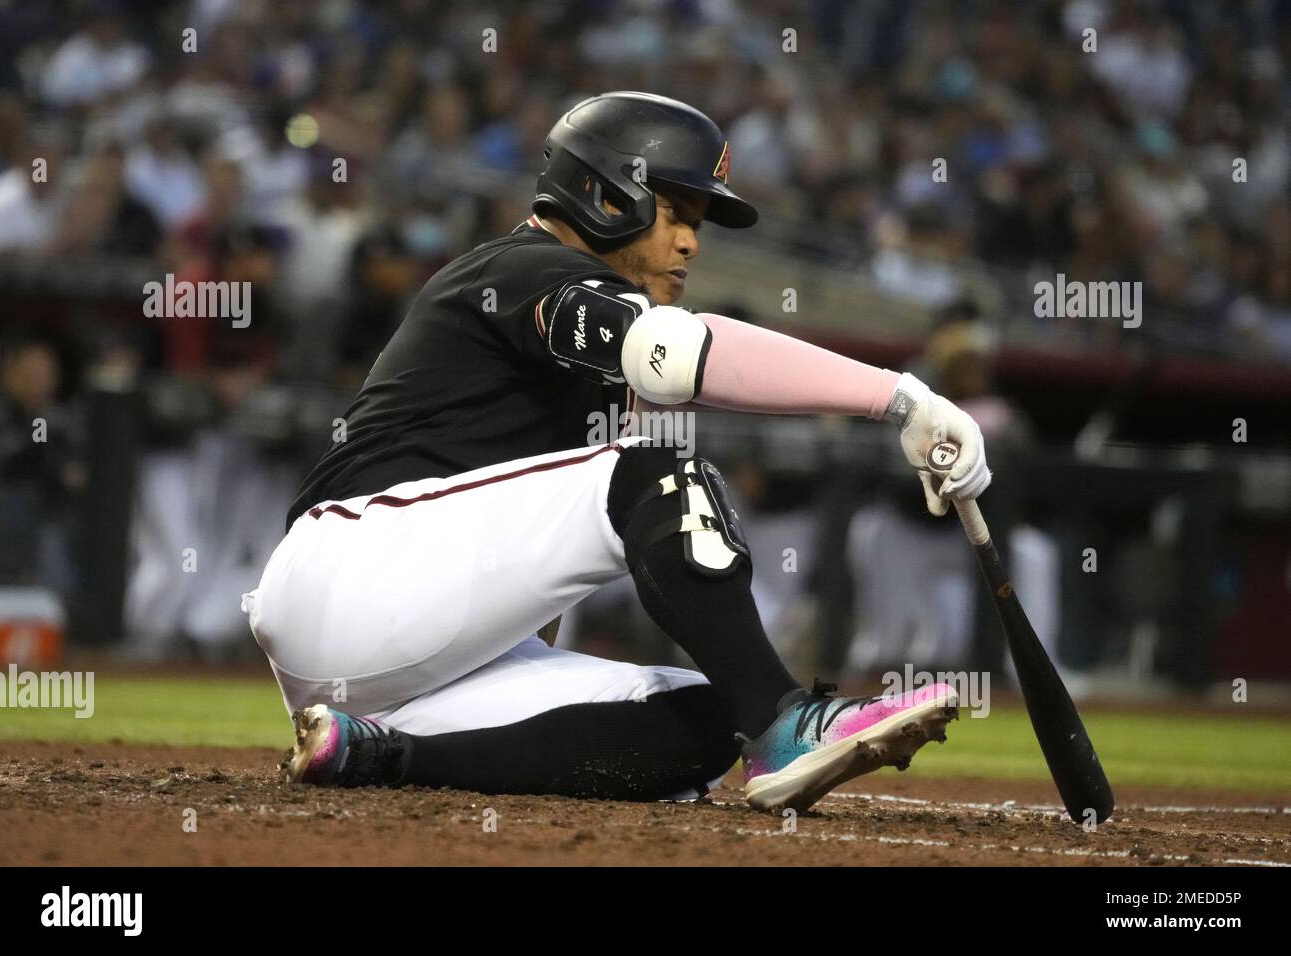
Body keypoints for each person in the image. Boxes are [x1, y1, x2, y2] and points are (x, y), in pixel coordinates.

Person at [243, 92, 990, 813]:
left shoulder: (576, 334)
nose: (692, 241)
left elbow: (520, 582)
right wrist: (900, 398)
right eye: (675, 213)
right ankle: (785, 721)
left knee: (699, 721)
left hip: (414, 650)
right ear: (607, 196)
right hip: (353, 568)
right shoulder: (518, 267)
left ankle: (381, 755)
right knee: (657, 463)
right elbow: (670, 353)